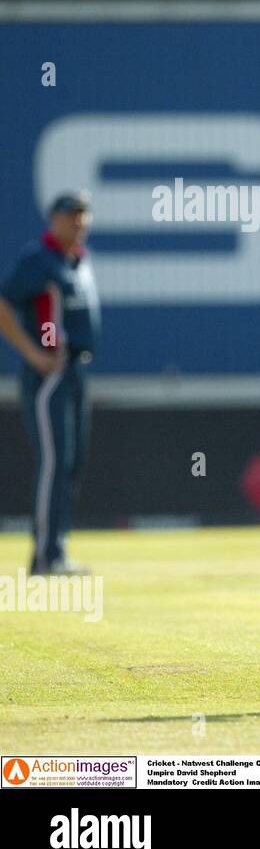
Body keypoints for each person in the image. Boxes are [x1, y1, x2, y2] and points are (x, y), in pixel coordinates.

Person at [0, 191, 100, 575]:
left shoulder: (77, 260)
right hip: (50, 372)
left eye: (83, 215)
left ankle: (57, 548)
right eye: (71, 215)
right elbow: (5, 304)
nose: (79, 222)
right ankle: (45, 555)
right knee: (55, 462)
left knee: (72, 463)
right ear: (54, 219)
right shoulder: (38, 259)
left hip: (76, 370)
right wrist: (33, 352)